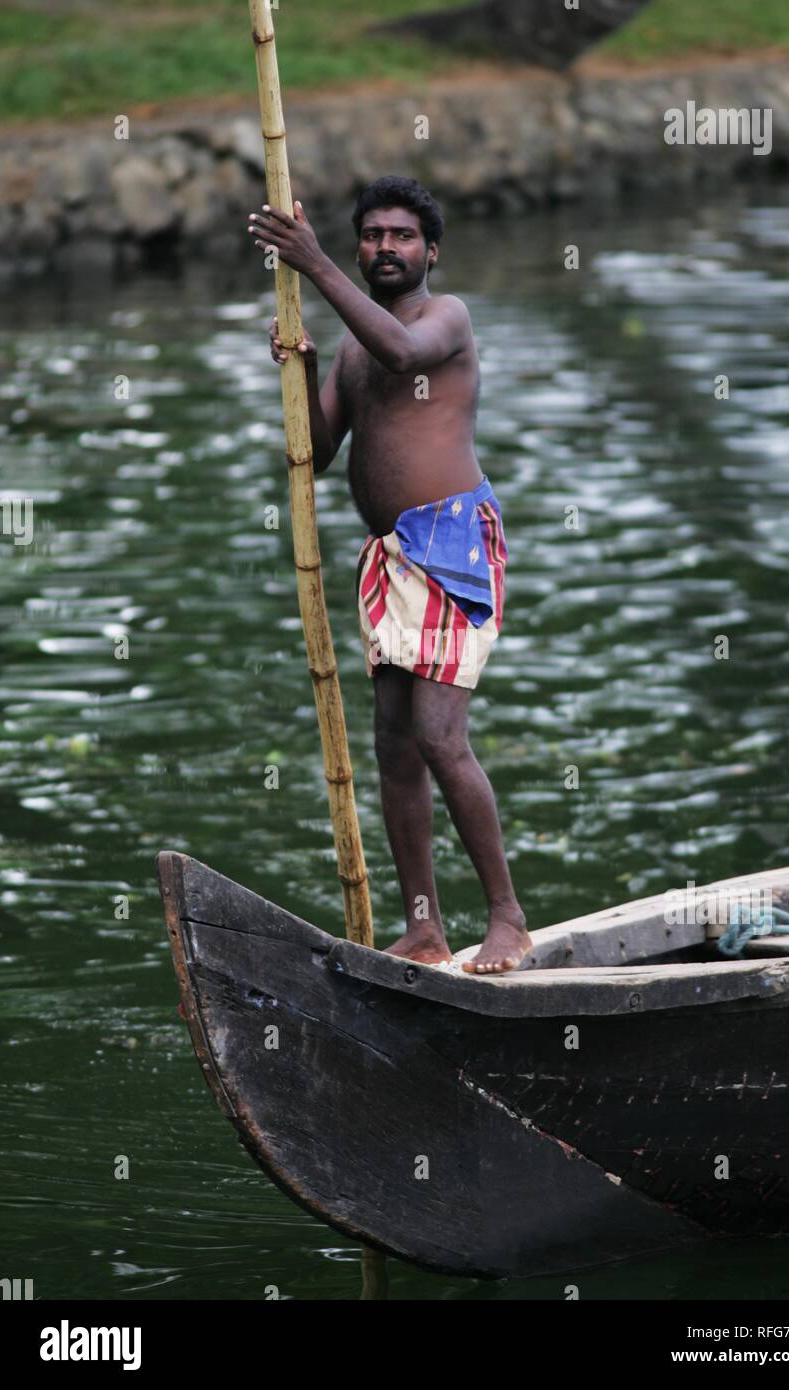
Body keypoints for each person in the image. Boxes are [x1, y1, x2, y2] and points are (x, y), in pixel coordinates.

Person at [247, 175, 530, 973]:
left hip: (452, 547)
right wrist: (300, 369)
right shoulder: (350, 345)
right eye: (371, 235)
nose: (384, 248)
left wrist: (313, 262)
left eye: (401, 236)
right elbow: (315, 449)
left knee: (441, 735)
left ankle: (508, 918)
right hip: (393, 558)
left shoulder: (444, 320)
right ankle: (426, 926)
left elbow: (402, 352)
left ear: (430, 251)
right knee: (396, 747)